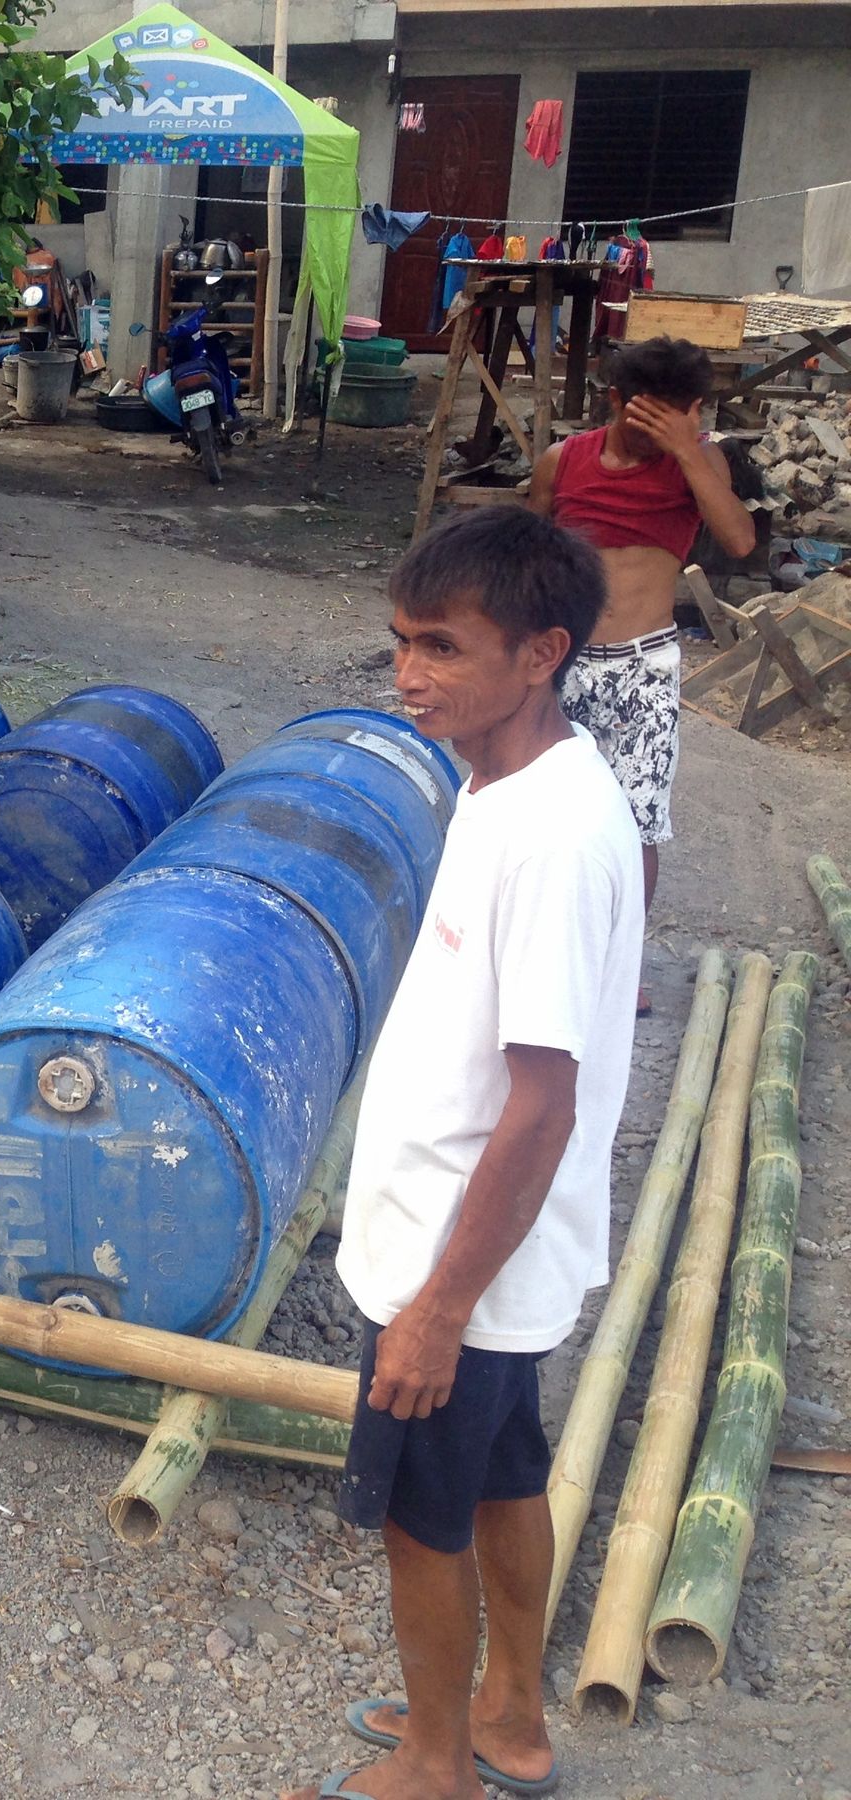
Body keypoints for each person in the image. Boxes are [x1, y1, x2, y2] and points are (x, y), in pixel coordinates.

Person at [287, 508, 643, 1800]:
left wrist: (438, 1307)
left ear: (542, 652)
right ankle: (509, 1714)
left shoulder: (550, 837)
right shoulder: (508, 781)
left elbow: (542, 1104)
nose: (410, 673)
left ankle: (435, 1769)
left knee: (417, 1516)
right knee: (504, 1478)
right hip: (494, 1255)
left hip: (468, 1261)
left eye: (443, 647)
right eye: (400, 642)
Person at [526, 335, 756, 955]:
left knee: (635, 824)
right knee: (546, 813)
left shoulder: (701, 465)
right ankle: (542, 947)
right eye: (646, 415)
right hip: (561, 663)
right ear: (617, 400)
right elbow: (527, 561)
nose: (656, 431)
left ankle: (620, 962)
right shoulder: (563, 460)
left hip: (643, 669)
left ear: (695, 409)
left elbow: (737, 538)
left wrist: (688, 448)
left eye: (677, 416)